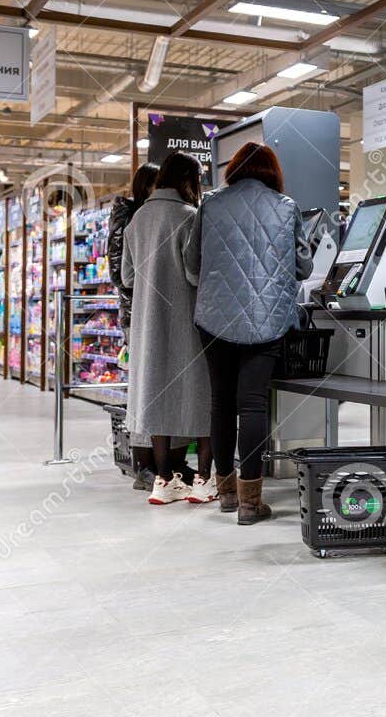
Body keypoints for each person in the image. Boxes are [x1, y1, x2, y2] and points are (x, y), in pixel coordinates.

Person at [189, 142, 314, 524]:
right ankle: (250, 502)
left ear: (234, 169)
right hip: (267, 319)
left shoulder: (211, 203)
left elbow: (191, 262)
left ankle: (226, 493)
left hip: (214, 318)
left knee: (221, 404)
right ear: (272, 171)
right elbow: (304, 267)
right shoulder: (287, 207)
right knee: (253, 405)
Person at [121, 152, 216, 506]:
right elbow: (194, 273)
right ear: (188, 180)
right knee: (202, 397)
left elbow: (127, 277)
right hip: (185, 323)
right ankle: (203, 480)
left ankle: (163, 481)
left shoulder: (138, 218)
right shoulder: (189, 217)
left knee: (156, 398)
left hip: (148, 325)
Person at [109, 163, 160, 491]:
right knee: (143, 390)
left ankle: (163, 461)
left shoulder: (149, 214)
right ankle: (144, 466)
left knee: (156, 389)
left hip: (154, 313)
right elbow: (119, 273)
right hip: (138, 315)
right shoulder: (129, 216)